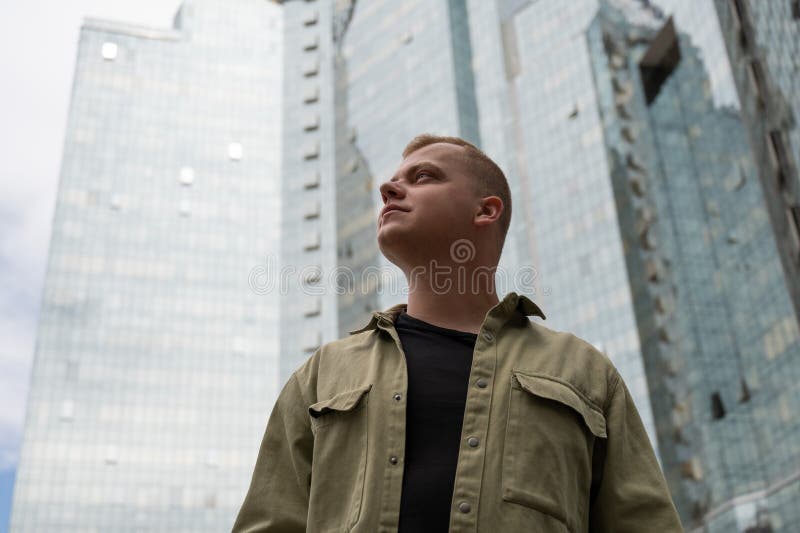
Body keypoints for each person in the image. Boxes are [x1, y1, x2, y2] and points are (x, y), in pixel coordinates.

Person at [233, 134, 683, 532]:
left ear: (485, 210)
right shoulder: (322, 375)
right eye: (394, 180)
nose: (388, 189)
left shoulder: (584, 372)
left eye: (423, 177)